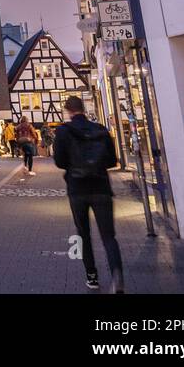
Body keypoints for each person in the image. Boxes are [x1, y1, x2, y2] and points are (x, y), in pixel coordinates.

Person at [53, 96, 123, 292]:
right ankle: (117, 272)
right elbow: (112, 161)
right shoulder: (100, 129)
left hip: (77, 189)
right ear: (84, 108)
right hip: (101, 187)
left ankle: (92, 277)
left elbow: (59, 161)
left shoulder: (63, 131)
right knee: (109, 236)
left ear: (67, 110)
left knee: (83, 234)